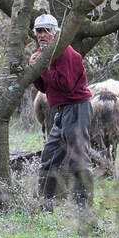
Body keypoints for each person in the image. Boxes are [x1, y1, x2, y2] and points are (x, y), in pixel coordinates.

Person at [30, 14, 96, 221]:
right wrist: (35, 68)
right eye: (38, 31)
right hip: (62, 111)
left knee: (79, 161)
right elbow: (43, 86)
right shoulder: (45, 53)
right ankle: (45, 209)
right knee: (48, 159)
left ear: (56, 32)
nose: (42, 35)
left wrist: (43, 65)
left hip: (77, 108)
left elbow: (65, 85)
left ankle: (85, 213)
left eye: (46, 30)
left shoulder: (66, 53)